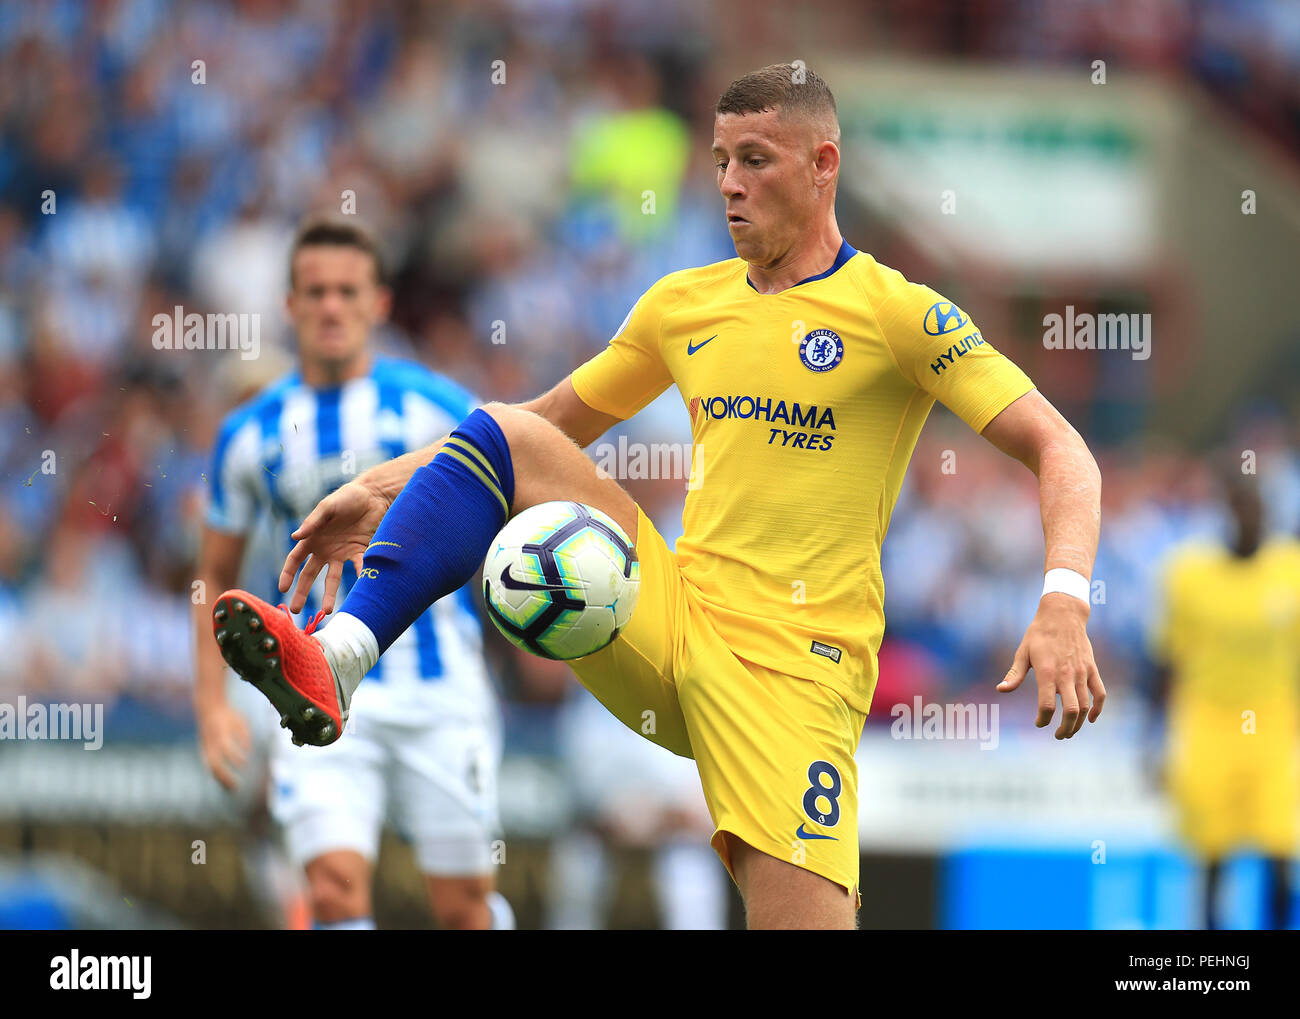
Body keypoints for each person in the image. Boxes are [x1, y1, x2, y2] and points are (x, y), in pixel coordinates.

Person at [212, 65, 1105, 929]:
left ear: (824, 165)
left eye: (755, 159)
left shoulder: (898, 313)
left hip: (794, 677)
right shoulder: (684, 304)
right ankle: (340, 656)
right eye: (719, 160)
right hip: (672, 611)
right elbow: (542, 422)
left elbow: (1063, 450)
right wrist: (379, 487)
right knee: (507, 432)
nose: (728, 184)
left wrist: (1063, 600)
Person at [194, 219, 512, 930]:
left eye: (347, 291)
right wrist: (212, 705)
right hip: (310, 688)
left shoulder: (441, 406)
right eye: (315, 292)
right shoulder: (248, 433)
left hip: (439, 685)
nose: (331, 307)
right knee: (333, 891)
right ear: (289, 306)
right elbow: (211, 574)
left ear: (380, 304)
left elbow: (509, 498)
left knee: (462, 907)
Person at [1150, 469, 1300, 929]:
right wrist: (1153, 737)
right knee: (1212, 850)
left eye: (1256, 510)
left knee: (1279, 845)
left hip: (1273, 724)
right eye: (1240, 509)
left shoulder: (1290, 571)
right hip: (1208, 722)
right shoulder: (1189, 575)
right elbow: (1167, 660)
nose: (1249, 519)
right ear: (1226, 514)